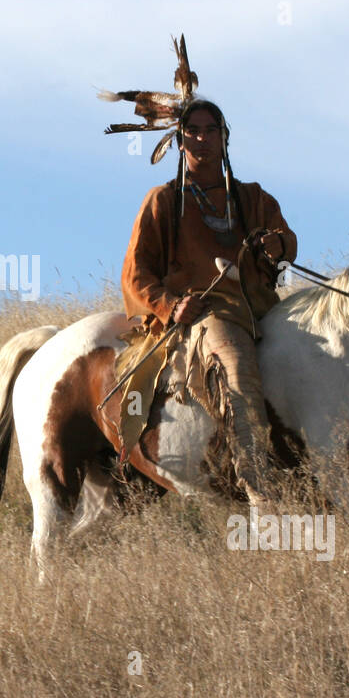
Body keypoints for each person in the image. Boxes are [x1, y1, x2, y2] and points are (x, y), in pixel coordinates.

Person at [105, 38, 296, 506]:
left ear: (224, 138)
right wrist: (173, 306)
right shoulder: (162, 202)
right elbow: (135, 275)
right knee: (236, 367)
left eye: (212, 130)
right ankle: (259, 494)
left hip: (263, 311)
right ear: (179, 139)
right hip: (205, 317)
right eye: (193, 130)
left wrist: (277, 245)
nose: (202, 138)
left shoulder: (253, 198)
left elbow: (288, 241)